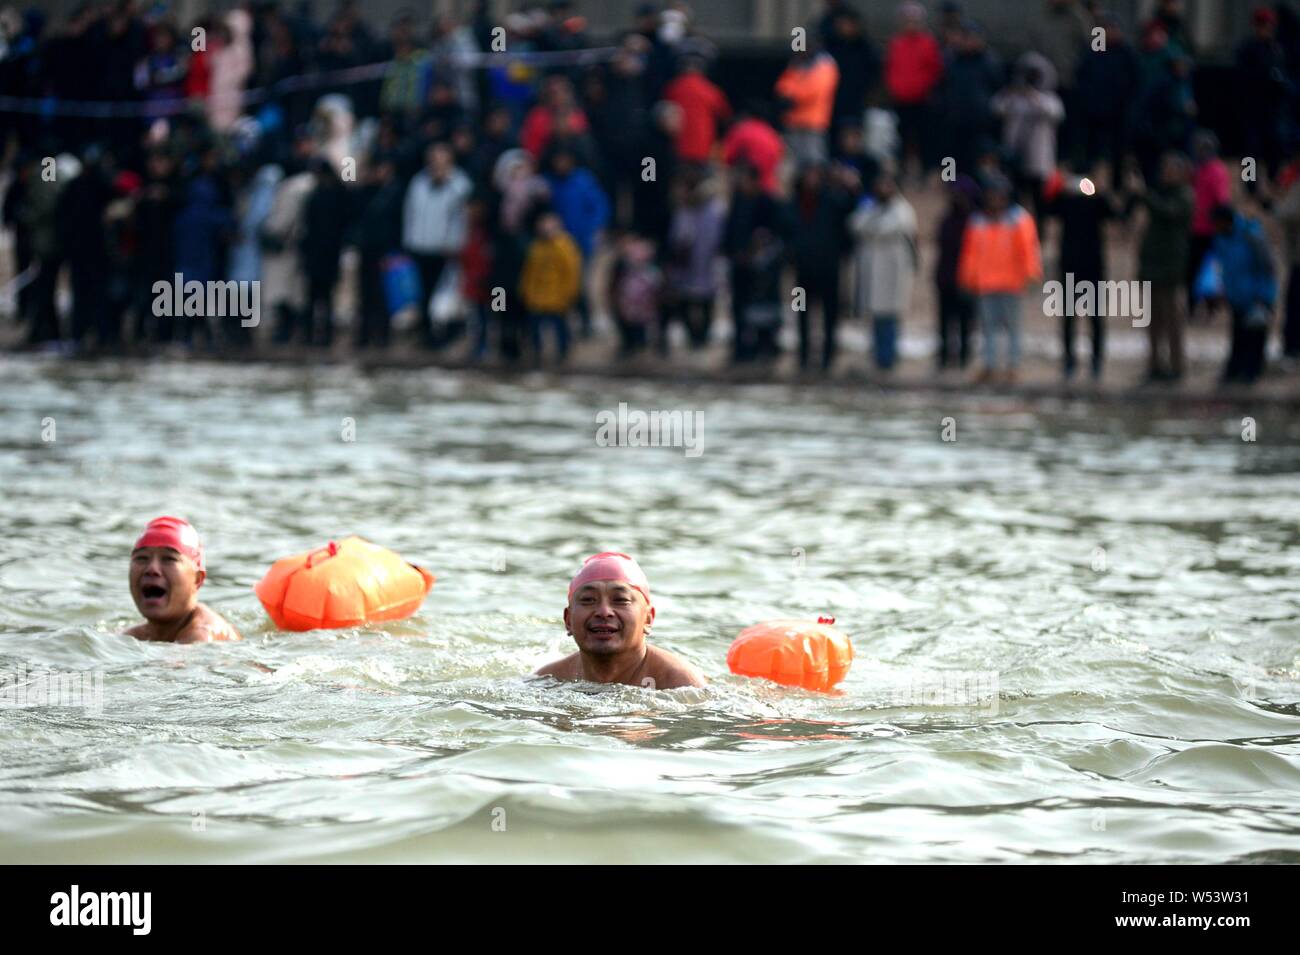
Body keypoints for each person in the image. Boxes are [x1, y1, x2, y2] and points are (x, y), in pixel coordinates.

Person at [535, 552, 705, 689]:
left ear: (648, 619)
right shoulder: (547, 682)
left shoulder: (681, 684)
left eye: (620, 600)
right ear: (568, 620)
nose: (603, 612)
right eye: (588, 600)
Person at [958, 174, 1042, 383]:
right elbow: (970, 253)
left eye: (998, 196)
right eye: (991, 196)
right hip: (986, 282)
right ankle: (989, 365)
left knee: (1013, 327)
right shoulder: (977, 221)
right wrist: (967, 277)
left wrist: (1031, 274)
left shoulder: (1019, 220)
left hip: (1012, 282)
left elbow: (1028, 250)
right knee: (988, 328)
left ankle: (1013, 366)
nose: (995, 200)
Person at [126, 517, 241, 644]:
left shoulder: (201, 637)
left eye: (169, 559)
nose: (152, 569)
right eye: (141, 558)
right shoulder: (133, 635)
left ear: (197, 579)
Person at [1131, 151, 1194, 381]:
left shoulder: (1184, 196)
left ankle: (1177, 368)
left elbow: (1169, 212)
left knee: (1173, 323)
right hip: (1152, 270)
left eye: (1170, 170)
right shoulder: (1162, 194)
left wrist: (1145, 194)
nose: (1166, 174)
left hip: (1171, 270)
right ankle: (1155, 366)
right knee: (1152, 323)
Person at [850, 169, 918, 373]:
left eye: (887, 185)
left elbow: (886, 228)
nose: (883, 189)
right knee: (875, 318)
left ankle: (888, 361)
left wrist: (869, 225)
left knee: (889, 318)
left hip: (893, 273)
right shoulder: (871, 206)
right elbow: (855, 224)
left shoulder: (903, 210)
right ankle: (878, 360)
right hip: (873, 273)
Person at [1210, 202, 1276, 385]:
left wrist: (1263, 297)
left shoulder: (1251, 236)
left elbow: (1267, 267)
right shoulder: (1221, 239)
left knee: (1255, 337)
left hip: (1257, 297)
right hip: (1237, 296)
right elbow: (1224, 268)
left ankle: (1252, 373)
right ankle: (1235, 370)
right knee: (1238, 336)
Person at [519, 210, 582, 364]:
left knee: (560, 329)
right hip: (536, 297)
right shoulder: (536, 246)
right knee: (534, 329)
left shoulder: (565, 246)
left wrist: (568, 295)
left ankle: (563, 355)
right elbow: (529, 271)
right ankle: (536, 355)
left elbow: (572, 273)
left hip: (557, 297)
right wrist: (526, 291)